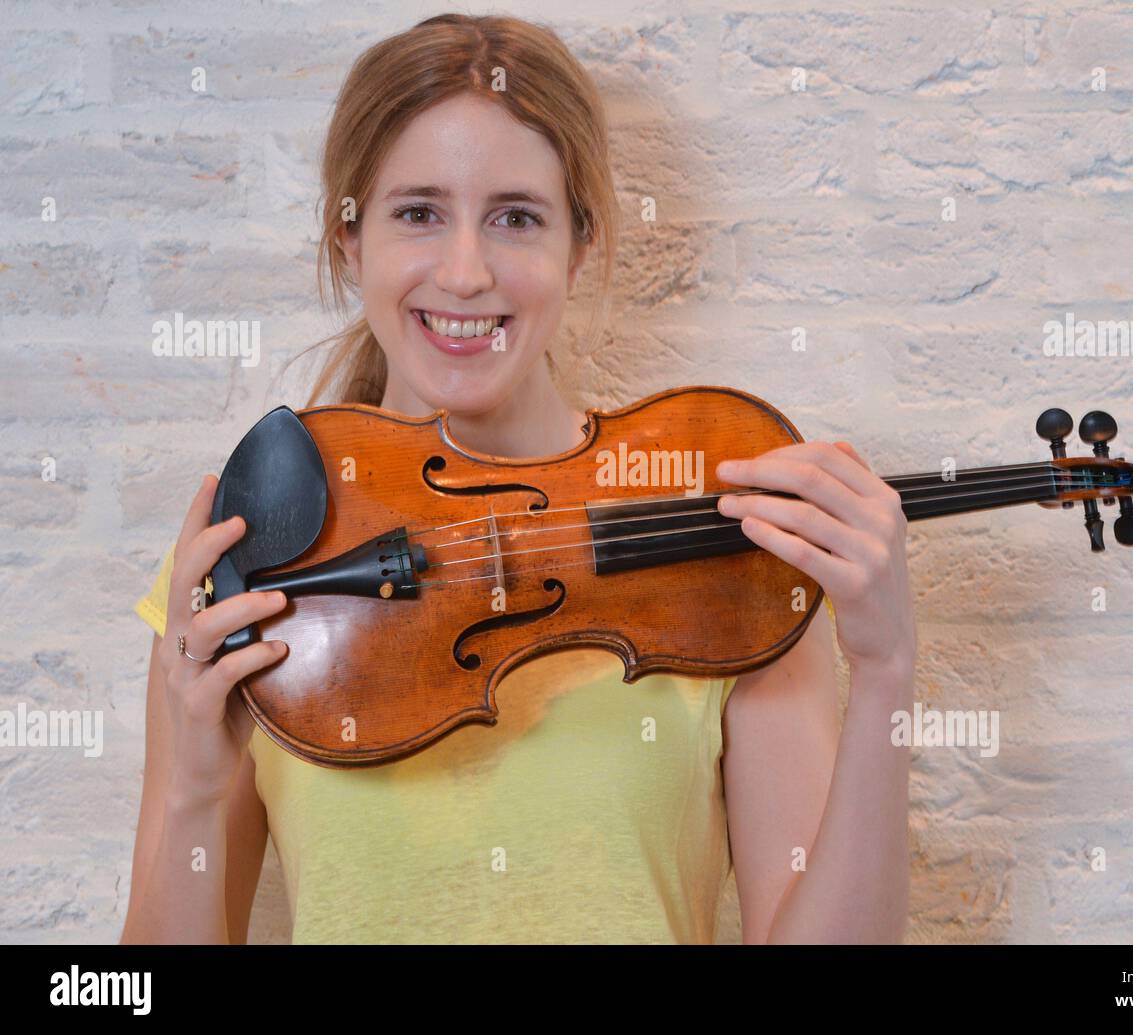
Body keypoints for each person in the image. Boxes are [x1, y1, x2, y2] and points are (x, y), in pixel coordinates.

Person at [120, 13, 916, 945]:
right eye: (418, 212)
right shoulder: (251, 553)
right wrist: (193, 785)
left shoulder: (724, 537)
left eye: (516, 217)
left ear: (579, 245)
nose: (465, 272)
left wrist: (888, 669)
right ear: (350, 241)